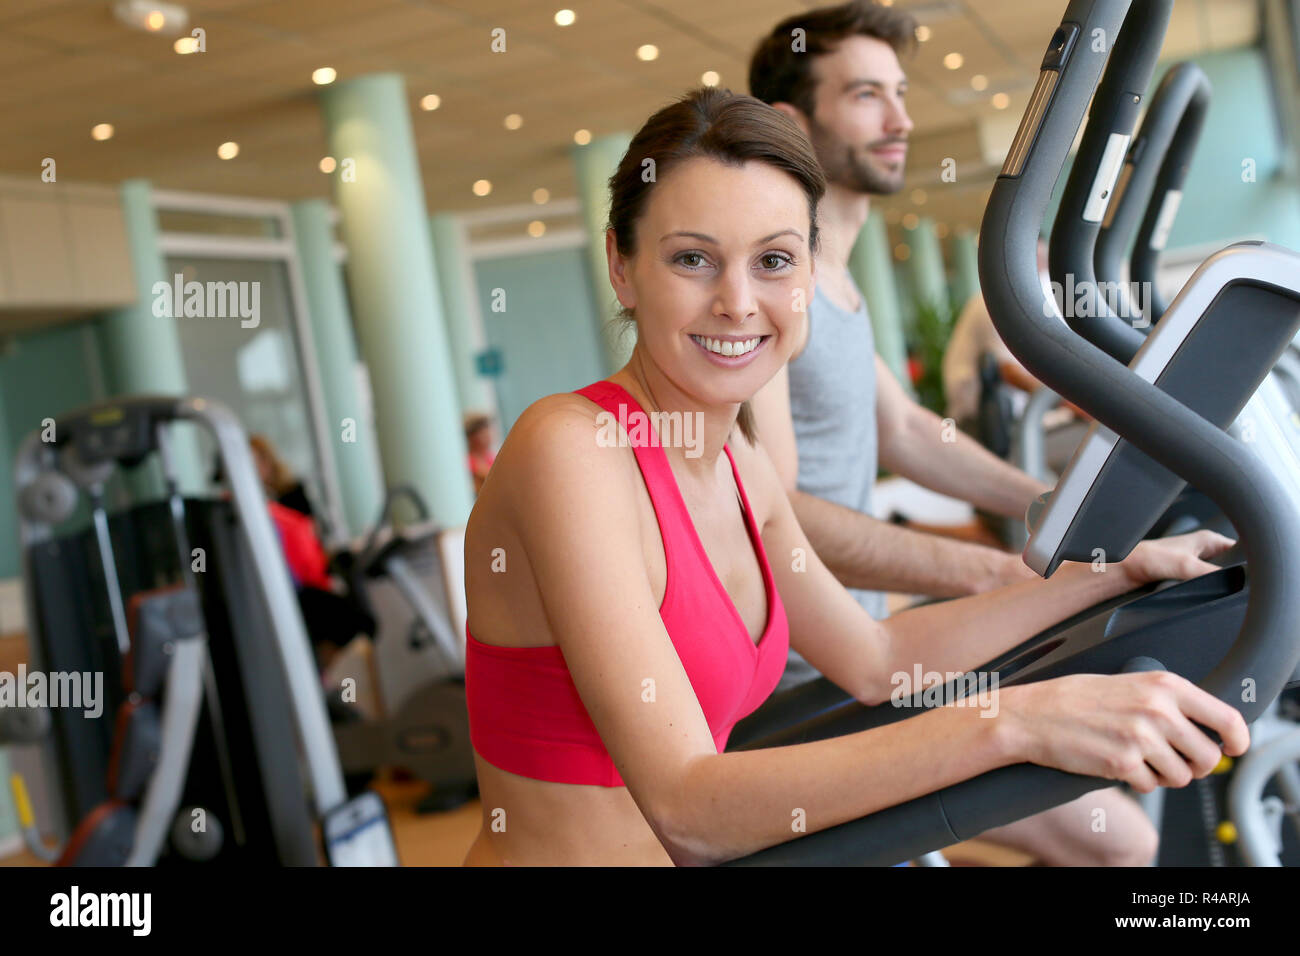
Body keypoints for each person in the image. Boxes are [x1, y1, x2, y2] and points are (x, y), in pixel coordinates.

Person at [460, 86, 1246, 867]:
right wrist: (1017, 720)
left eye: (773, 261)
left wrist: (1105, 580)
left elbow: (875, 656)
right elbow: (686, 805)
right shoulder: (572, 450)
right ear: (622, 269)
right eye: (693, 259)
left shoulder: (739, 465)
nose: (738, 302)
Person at [747, 0, 1149, 865]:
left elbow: (908, 432)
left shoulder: (838, 283)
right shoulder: (776, 286)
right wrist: (1007, 572)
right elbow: (770, 512)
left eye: (899, 92)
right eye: (865, 95)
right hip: (807, 678)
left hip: (865, 652)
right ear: (791, 123)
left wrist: (1046, 499)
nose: (901, 118)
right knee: (1117, 842)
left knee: (1113, 822)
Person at [250, 433, 315, 518]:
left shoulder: (293, 490)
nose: (259, 467)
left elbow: (310, 525)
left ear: (270, 459)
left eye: (261, 459)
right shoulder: (254, 497)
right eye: (253, 463)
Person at [464, 412, 497, 496]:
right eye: (483, 432)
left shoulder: (491, 458)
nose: (489, 435)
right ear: (471, 437)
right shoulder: (468, 461)